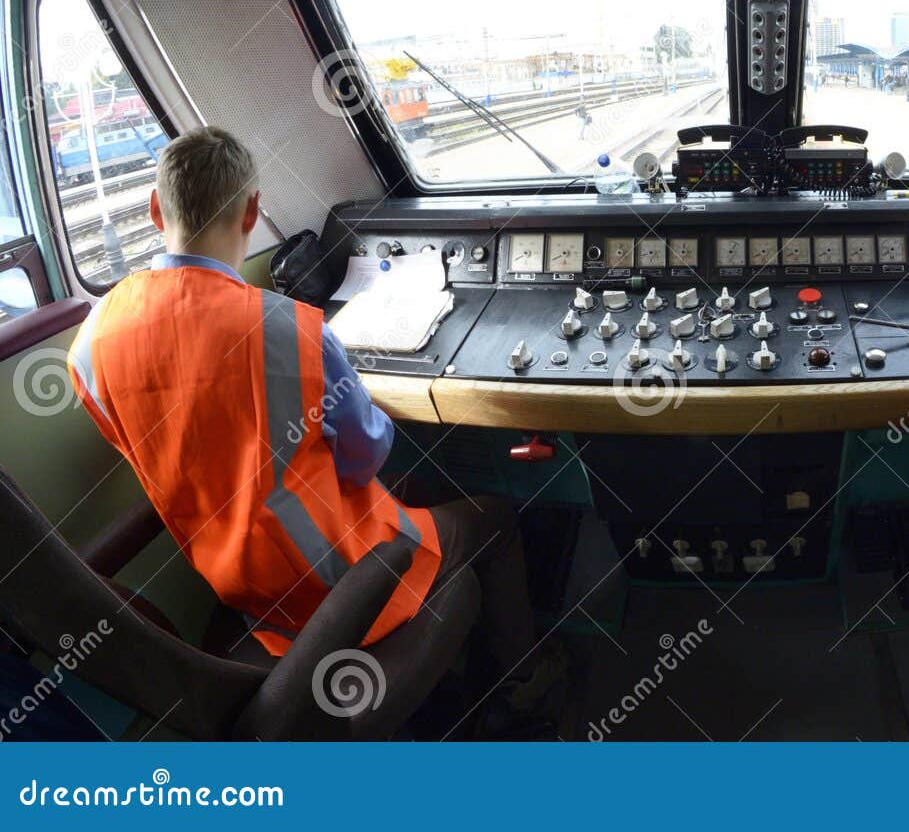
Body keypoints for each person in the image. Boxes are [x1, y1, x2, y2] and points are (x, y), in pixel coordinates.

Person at [67, 126, 563, 733]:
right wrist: (355, 398)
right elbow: (365, 457)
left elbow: (167, 452)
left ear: (153, 209)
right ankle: (529, 692)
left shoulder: (90, 342)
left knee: (408, 488)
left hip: (234, 579)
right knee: (497, 520)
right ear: (252, 211)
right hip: (336, 578)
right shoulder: (287, 327)